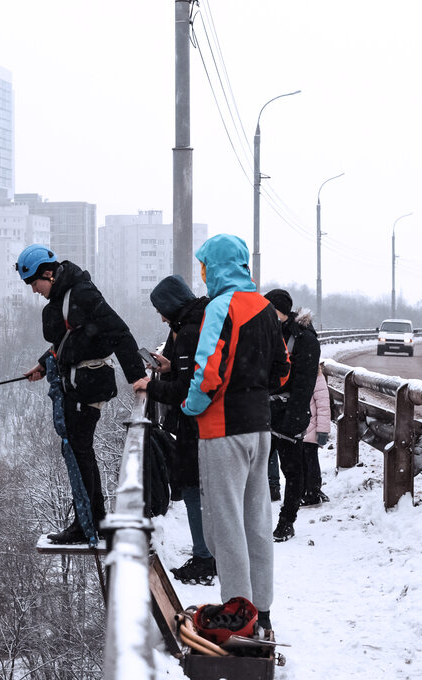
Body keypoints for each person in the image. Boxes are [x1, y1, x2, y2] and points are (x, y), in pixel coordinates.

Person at [180, 234, 289, 633]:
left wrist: (190, 406)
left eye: (205, 265)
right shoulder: (263, 308)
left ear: (217, 266)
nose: (203, 273)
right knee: (257, 521)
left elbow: (208, 370)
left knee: (225, 525)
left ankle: (238, 615)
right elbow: (282, 371)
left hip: (223, 429)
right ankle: (262, 611)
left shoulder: (220, 306)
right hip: (260, 428)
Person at [17, 244, 146, 545]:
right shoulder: (67, 295)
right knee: (78, 450)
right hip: (81, 381)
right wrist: (42, 363)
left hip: (86, 384)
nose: (34, 291)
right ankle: (92, 519)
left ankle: (88, 523)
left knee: (78, 451)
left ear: (47, 274)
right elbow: (69, 338)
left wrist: (137, 376)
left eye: (34, 284)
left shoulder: (82, 294)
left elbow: (120, 333)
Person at [132, 275, 214, 584]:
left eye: (161, 309)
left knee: (193, 488)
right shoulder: (195, 324)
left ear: (171, 304)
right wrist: (169, 367)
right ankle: (207, 552)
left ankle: (205, 558)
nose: (161, 316)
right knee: (200, 489)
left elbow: (185, 388)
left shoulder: (189, 332)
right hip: (202, 423)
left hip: (196, 424)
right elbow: (189, 372)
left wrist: (150, 386)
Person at [262, 289, 321, 543]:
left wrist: (294, 420)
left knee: (292, 470)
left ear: (281, 311)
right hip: (264, 411)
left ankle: (287, 521)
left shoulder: (304, 340)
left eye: (270, 310)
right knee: (258, 469)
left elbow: (304, 385)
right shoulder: (267, 331)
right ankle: (259, 521)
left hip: (288, 413)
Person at [301, 365, 332, 507]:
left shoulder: (315, 374)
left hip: (309, 426)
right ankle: (306, 493)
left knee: (309, 461)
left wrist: (323, 431)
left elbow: (323, 405)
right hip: (301, 425)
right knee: (301, 462)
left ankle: (312, 494)